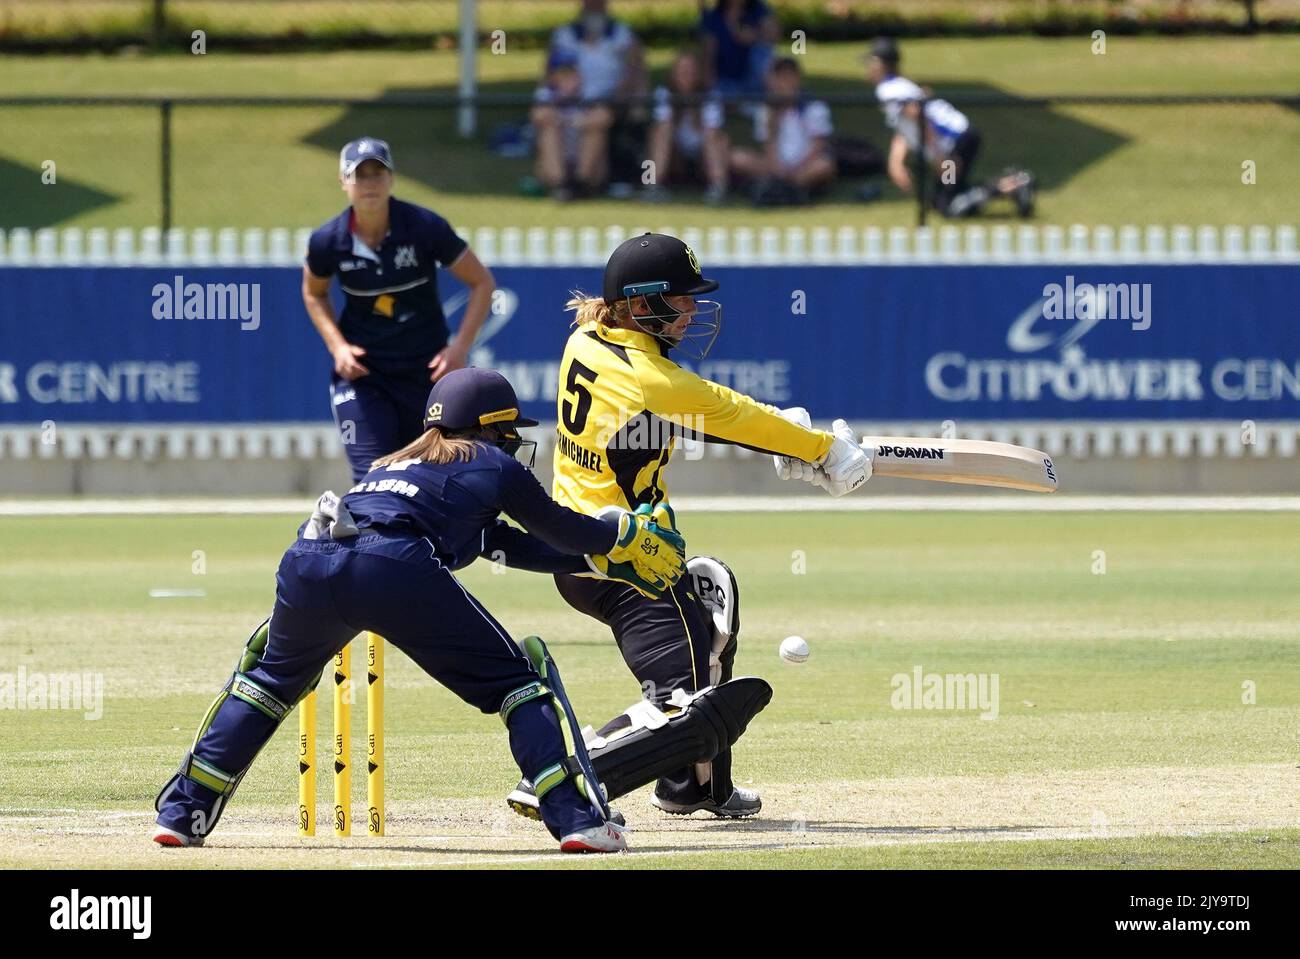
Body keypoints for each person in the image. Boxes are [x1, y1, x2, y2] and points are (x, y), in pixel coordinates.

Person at [151, 368, 688, 854]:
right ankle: (577, 821)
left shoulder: (396, 463)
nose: (514, 443)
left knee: (267, 682)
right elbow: (560, 528)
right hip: (391, 565)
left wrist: (607, 566)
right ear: (491, 428)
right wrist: (625, 535)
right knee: (520, 685)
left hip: (309, 557)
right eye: (509, 432)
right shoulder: (492, 463)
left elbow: (503, 545)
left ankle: (183, 814)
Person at [505, 233, 872, 821]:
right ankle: (560, 779)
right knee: (680, 703)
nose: (693, 310)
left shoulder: (589, 342)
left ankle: (692, 787)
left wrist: (780, 435)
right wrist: (823, 449)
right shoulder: (651, 380)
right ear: (639, 303)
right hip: (625, 557)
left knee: (709, 600)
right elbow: (719, 410)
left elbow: (689, 414)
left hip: (586, 550)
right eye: (681, 299)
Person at [302, 137, 496, 482]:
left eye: (378, 173)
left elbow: (481, 282)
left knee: (435, 480)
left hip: (428, 375)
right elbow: (314, 294)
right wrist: (338, 347)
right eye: (360, 175)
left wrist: (460, 347)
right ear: (344, 183)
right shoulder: (327, 241)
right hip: (364, 376)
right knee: (373, 479)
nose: (370, 184)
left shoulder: (425, 227)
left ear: (391, 179)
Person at [865, 37, 1036, 218]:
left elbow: (917, 114)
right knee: (941, 197)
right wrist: (896, 161)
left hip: (956, 142)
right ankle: (1011, 185)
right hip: (960, 138)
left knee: (948, 204)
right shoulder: (898, 85)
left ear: (879, 64)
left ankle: (1015, 185)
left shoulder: (887, 89)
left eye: (870, 63)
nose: (867, 68)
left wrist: (941, 155)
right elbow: (906, 125)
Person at [546, 0, 649, 196]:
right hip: (572, 103)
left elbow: (636, 70)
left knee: (605, 117)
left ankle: (592, 181)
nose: (594, 6)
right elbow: (549, 76)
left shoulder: (623, 34)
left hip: (611, 100)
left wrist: (625, 97)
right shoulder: (564, 35)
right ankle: (562, 183)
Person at [729, 57, 837, 206]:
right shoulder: (766, 111)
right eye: (780, 78)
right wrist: (778, 170)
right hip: (774, 166)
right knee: (738, 158)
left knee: (824, 165)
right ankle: (788, 189)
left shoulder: (814, 107)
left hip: (803, 167)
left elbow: (818, 147)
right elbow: (768, 147)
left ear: (798, 79)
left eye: (789, 77)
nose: (784, 83)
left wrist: (795, 169)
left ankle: (784, 188)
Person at [644, 50, 730, 204]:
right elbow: (663, 125)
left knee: (718, 139)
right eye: (681, 71)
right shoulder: (664, 94)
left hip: (703, 154)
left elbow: (711, 130)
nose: (686, 76)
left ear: (698, 74)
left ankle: (718, 187)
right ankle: (652, 184)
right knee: (659, 132)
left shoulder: (710, 96)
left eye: (690, 71)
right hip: (675, 154)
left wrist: (694, 108)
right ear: (673, 74)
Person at [531, 49, 613, 201]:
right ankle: (560, 185)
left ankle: (579, 185)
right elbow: (538, 116)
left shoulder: (589, 91)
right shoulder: (546, 93)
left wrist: (578, 121)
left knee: (594, 131)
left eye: (571, 73)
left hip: (588, 165)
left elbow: (605, 117)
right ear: (553, 76)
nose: (568, 78)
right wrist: (563, 120)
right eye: (562, 74)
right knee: (549, 130)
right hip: (555, 162)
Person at [699, 0, 778, 103]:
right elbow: (708, 55)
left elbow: (774, 35)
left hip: (755, 80)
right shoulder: (713, 17)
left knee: (761, 49)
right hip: (726, 81)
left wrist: (755, 37)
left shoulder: (758, 9)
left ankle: (769, 93)